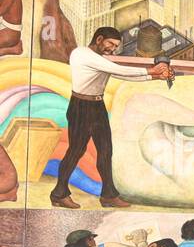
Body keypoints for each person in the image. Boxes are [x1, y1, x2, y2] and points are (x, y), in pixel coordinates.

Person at [53, 27, 172, 208]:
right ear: (99, 39)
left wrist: (154, 77)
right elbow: (117, 69)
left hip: (97, 107)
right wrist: (152, 71)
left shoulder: (100, 60)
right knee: (76, 151)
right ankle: (59, 193)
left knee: (106, 151)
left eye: (116, 46)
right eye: (110, 44)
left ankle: (108, 195)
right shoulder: (82, 54)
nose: (113, 49)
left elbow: (118, 74)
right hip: (81, 107)